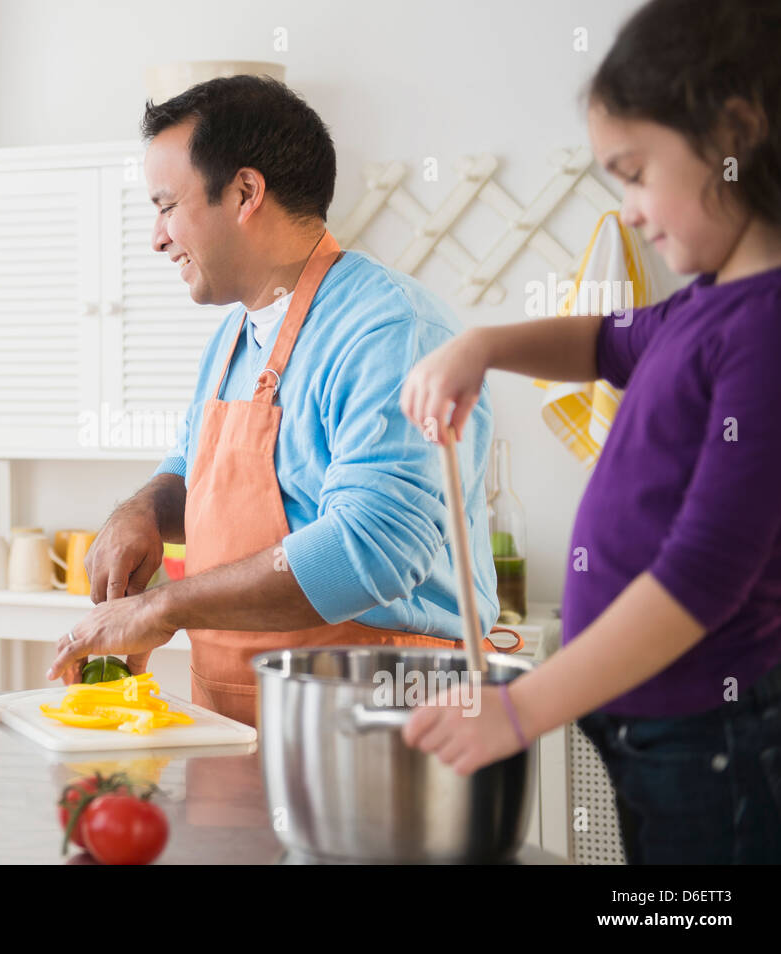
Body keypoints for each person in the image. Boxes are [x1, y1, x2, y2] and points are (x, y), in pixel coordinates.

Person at [399, 0, 781, 863]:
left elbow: (703, 576)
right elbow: (603, 340)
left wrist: (525, 707)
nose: (633, 210)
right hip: (657, 716)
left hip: (708, 732)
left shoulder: (766, 330)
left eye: (637, 172)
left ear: (737, 131)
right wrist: (482, 346)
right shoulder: (711, 305)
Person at [46, 75, 517, 726]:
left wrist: (160, 608)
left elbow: (369, 549)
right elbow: (197, 474)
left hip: (382, 723)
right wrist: (144, 512)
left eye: (165, 205)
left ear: (244, 193)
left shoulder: (390, 332)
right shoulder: (234, 339)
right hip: (241, 721)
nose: (156, 237)